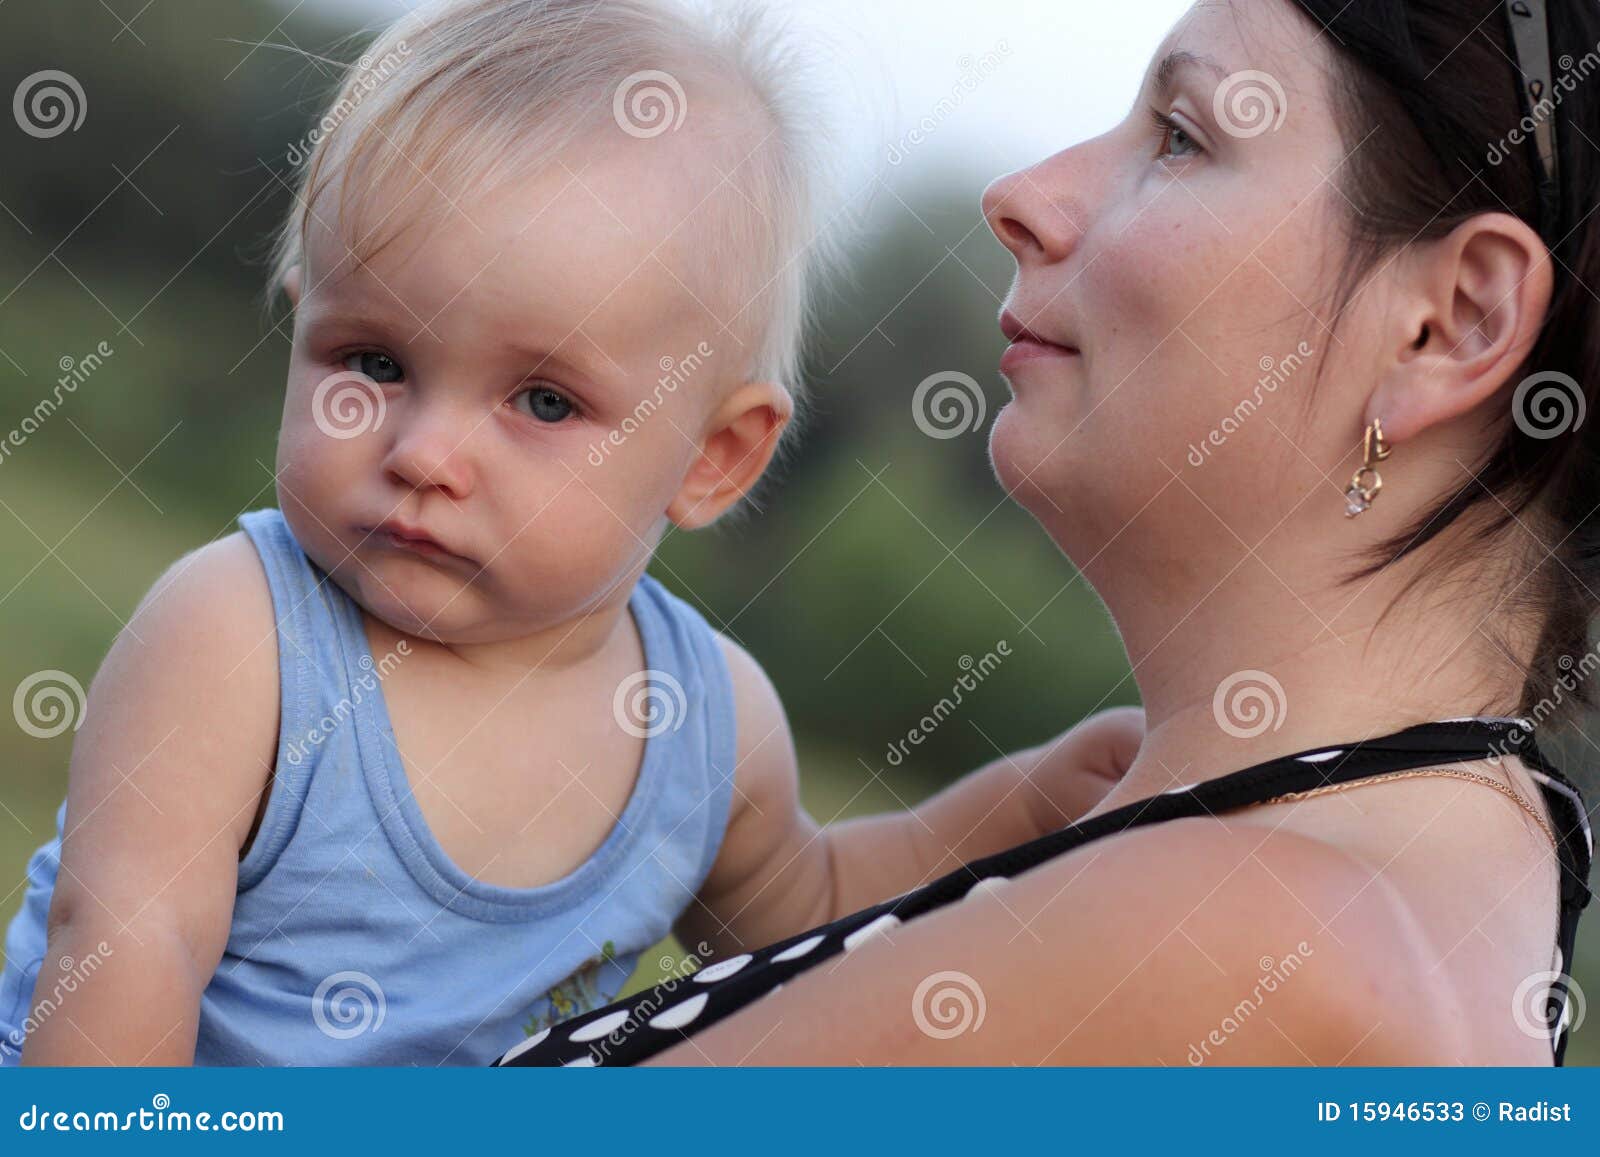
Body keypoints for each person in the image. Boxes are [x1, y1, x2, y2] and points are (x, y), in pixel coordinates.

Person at [0, 0, 1145, 1066]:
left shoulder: (703, 721)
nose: (426, 452)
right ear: (303, 331)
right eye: (375, 363)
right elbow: (123, 950)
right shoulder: (239, 637)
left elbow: (810, 905)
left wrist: (1028, 800)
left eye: (543, 402)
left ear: (713, 458)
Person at [496, 0, 1598, 1066]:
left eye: (1179, 135)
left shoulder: (1228, 934)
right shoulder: (1481, 864)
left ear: (1447, 325)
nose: (1020, 195)